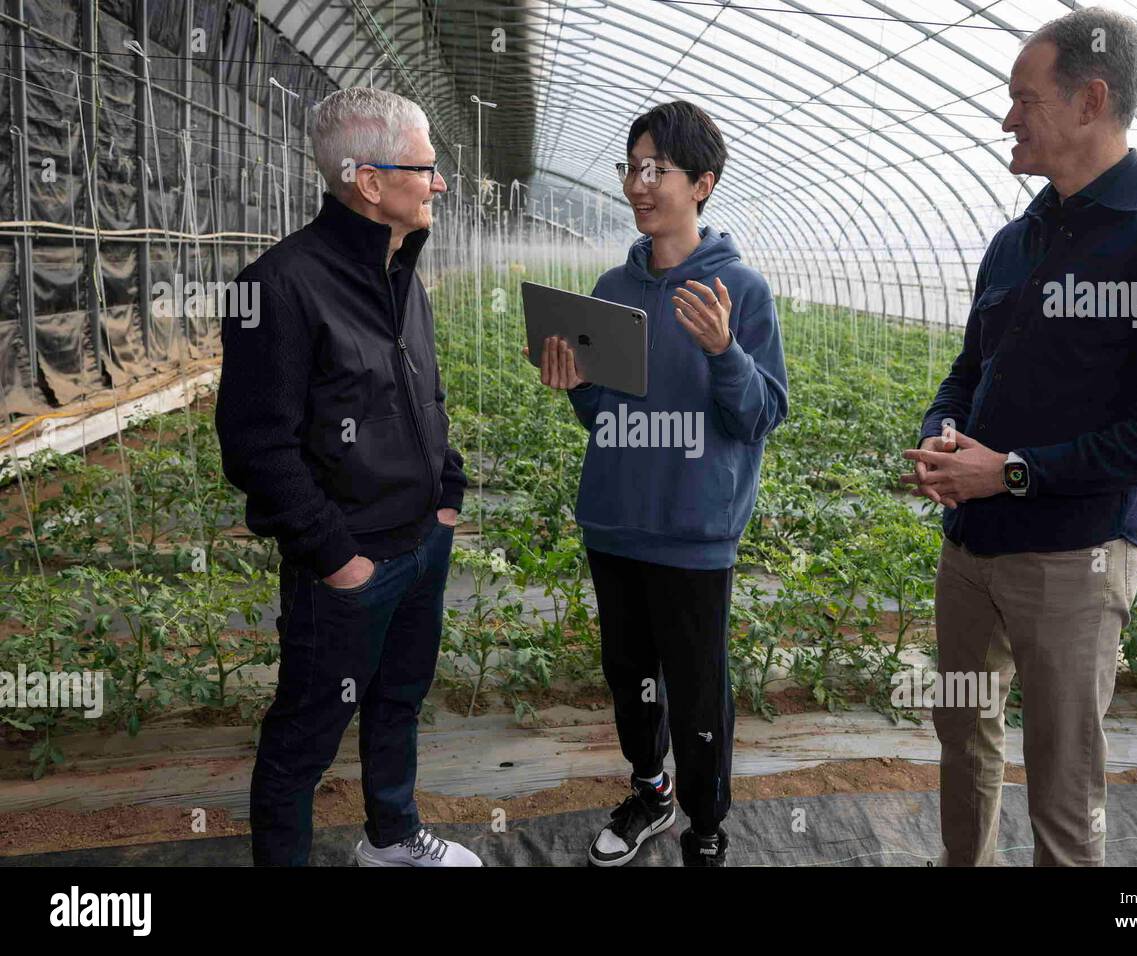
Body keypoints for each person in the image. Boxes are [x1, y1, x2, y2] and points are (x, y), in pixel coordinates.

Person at [902, 8, 1137, 866]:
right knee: (963, 734)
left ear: (1090, 101)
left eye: (1024, 99)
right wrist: (942, 435)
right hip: (970, 552)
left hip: (1072, 567)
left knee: (1062, 782)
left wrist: (1010, 473)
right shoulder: (1018, 240)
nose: (1007, 118)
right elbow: (970, 369)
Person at [215, 87, 479, 867]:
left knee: (398, 702)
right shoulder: (278, 286)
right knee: (304, 740)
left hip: (421, 545)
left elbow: (421, 397)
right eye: (427, 168)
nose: (437, 184)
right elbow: (257, 448)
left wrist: (447, 497)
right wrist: (338, 558)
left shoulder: (400, 270)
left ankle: (391, 839)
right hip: (349, 567)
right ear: (369, 182)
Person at [536, 100, 788, 866]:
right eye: (631, 168)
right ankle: (652, 792)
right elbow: (605, 418)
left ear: (702, 183)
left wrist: (724, 352)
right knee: (631, 678)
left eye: (657, 170)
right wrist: (577, 385)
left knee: (699, 693)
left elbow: (761, 416)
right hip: (616, 523)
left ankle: (706, 829)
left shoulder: (739, 292)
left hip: (694, 534)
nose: (638, 184)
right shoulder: (613, 287)